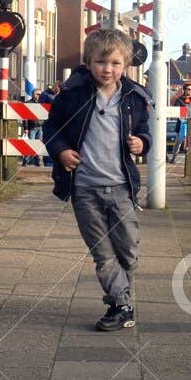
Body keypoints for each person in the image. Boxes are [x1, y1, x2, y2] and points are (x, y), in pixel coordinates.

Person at [44, 28, 153, 331]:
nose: (108, 69)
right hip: (85, 189)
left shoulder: (133, 97)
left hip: (121, 187)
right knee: (103, 253)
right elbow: (51, 129)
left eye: (116, 63)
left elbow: (146, 131)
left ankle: (123, 303)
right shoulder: (72, 94)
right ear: (88, 62)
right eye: (101, 62)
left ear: (126, 64)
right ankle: (121, 306)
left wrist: (142, 143)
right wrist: (62, 151)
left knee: (128, 251)